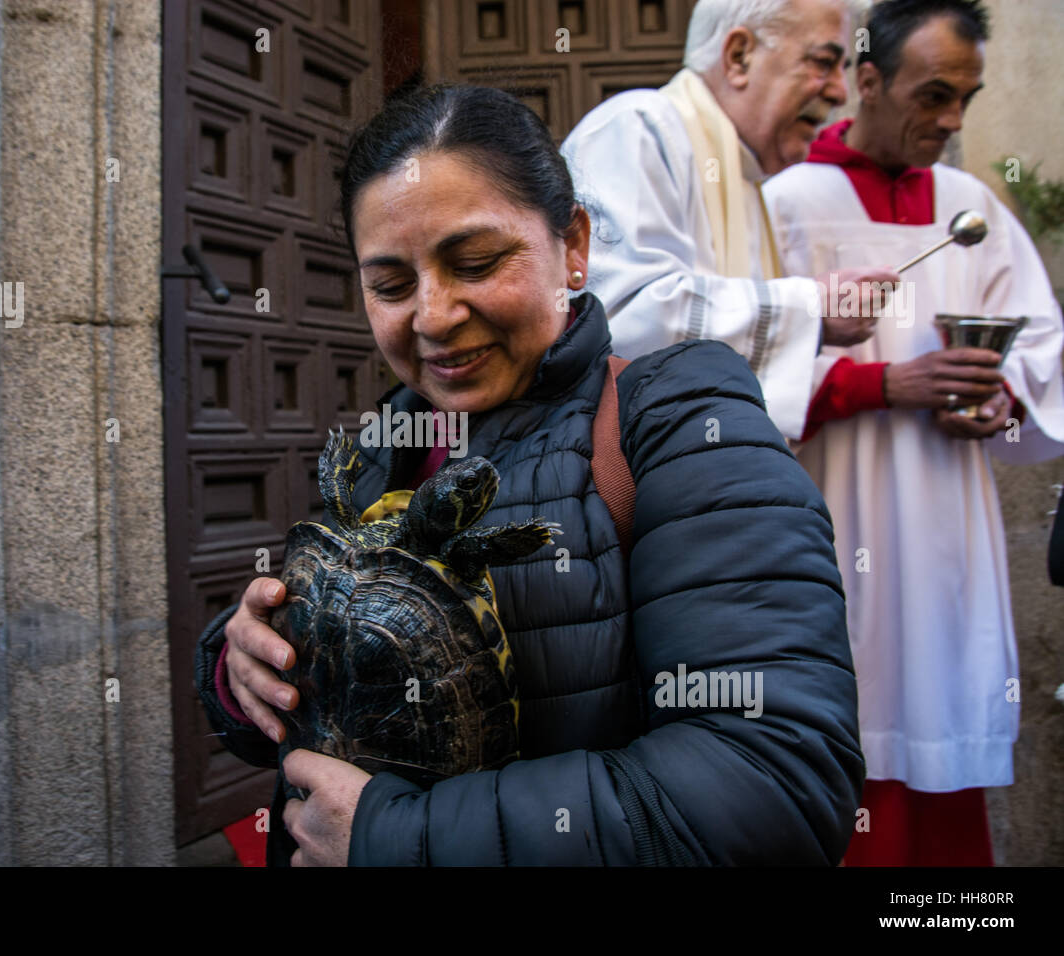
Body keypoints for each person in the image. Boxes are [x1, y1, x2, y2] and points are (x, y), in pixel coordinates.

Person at [193, 84, 863, 867]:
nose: (434, 316)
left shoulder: (680, 426)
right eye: (391, 285)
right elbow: (315, 706)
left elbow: (773, 784)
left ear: (573, 245)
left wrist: (396, 841)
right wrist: (239, 667)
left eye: (476, 262)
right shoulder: (384, 448)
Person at [763, 0, 1064, 866]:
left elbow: (1039, 342)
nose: (952, 120)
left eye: (966, 99)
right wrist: (879, 384)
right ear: (865, 80)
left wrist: (1000, 397)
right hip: (828, 515)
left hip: (944, 532)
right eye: (933, 94)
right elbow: (732, 360)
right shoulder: (786, 204)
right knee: (838, 733)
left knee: (939, 740)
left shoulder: (972, 206)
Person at [560, 0, 899, 440]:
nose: (839, 91)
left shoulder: (748, 176)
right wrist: (810, 308)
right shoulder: (638, 128)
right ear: (739, 56)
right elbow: (618, 317)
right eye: (823, 63)